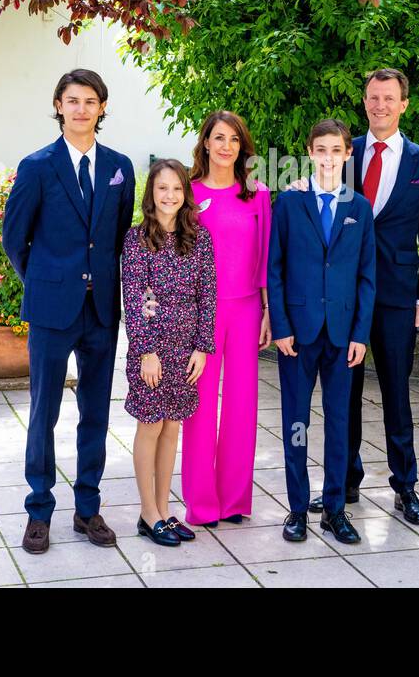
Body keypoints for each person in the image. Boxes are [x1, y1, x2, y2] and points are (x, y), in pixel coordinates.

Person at [2, 68, 136, 554]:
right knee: (44, 413)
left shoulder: (120, 167)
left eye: (90, 101)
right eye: (72, 100)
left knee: (95, 412)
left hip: (101, 308)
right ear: (58, 105)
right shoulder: (37, 166)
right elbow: (14, 240)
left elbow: (120, 238)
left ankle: (88, 508)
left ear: (102, 108)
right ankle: (39, 509)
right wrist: (45, 283)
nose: (81, 109)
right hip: (52, 308)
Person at [300, 69, 419, 525]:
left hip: (400, 297)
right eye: (373, 98)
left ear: (404, 104)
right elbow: (316, 205)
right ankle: (345, 483)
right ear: (365, 102)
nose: (380, 105)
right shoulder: (346, 152)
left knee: (398, 393)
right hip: (344, 296)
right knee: (346, 394)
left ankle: (406, 487)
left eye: (389, 98)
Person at [267, 119, 376, 545]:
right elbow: (274, 268)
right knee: (296, 422)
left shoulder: (359, 208)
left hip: (343, 334)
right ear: (310, 154)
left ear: (348, 155)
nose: (329, 158)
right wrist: (280, 326)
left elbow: (367, 275)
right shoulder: (290, 203)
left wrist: (360, 334)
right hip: (298, 332)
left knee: (338, 423)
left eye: (337, 150)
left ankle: (334, 510)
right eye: (321, 150)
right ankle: (297, 509)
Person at [121, 158, 217, 546]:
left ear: (185, 194)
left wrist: (203, 347)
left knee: (173, 426)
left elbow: (207, 295)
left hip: (186, 351)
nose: (170, 195)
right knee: (151, 424)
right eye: (162, 188)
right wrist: (146, 350)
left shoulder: (199, 236)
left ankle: (163, 510)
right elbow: (137, 297)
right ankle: (147, 513)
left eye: (177, 188)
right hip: (153, 350)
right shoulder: (137, 239)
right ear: (151, 193)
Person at [182, 111, 272, 527]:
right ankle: (201, 505)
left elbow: (267, 256)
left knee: (241, 405)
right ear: (205, 143)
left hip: (247, 308)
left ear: (242, 147)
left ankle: (235, 500)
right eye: (218, 138)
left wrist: (269, 311)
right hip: (201, 312)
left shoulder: (257, 194)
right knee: (198, 405)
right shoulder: (187, 193)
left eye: (234, 139)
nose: (226, 146)